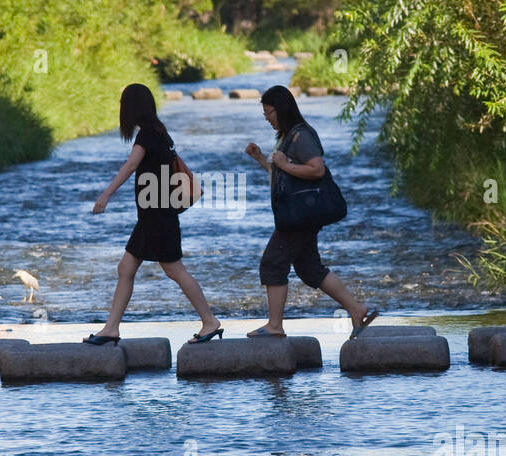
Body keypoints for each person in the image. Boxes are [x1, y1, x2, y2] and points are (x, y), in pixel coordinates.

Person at [86, 83, 223, 345]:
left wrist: (106, 194)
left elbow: (131, 164)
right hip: (153, 215)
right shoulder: (159, 132)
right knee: (126, 268)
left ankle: (210, 321)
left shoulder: (148, 134)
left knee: (175, 270)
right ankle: (111, 328)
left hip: (158, 216)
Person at [245, 84, 379, 339]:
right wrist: (262, 159)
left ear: (281, 109)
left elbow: (316, 169)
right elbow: (284, 177)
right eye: (265, 115)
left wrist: (283, 162)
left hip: (299, 218)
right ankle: (356, 308)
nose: (268, 119)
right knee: (309, 268)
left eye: (269, 113)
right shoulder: (288, 136)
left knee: (272, 264)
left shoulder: (302, 136)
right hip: (298, 215)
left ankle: (275, 326)